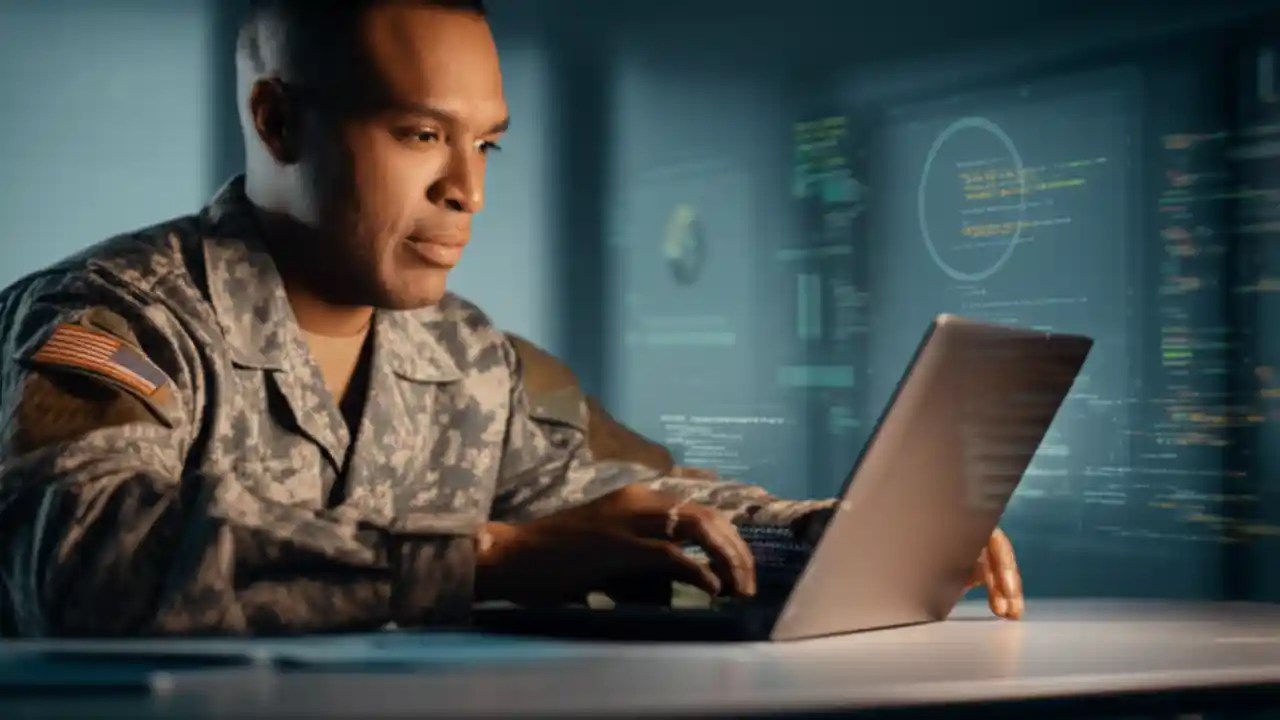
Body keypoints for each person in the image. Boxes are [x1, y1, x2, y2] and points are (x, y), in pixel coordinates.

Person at [0, 0, 1022, 638]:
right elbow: (79, 558)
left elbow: (618, 498)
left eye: (484, 144)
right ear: (277, 120)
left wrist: (826, 535)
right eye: (419, 134)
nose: (467, 191)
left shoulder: (468, 356)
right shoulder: (116, 317)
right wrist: (486, 557)